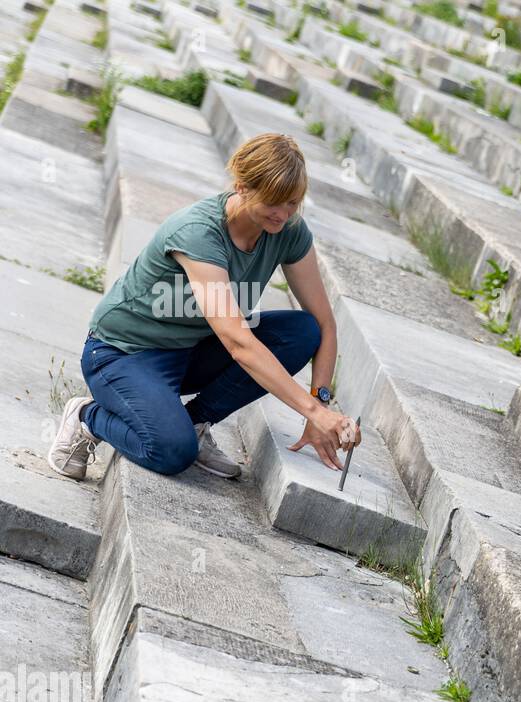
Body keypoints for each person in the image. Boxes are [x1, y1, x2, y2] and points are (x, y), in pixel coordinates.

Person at [47, 132, 359, 481]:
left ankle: (196, 422)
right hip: (124, 354)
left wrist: (321, 402)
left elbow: (326, 324)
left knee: (302, 331)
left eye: (292, 203)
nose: (284, 214)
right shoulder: (199, 232)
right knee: (171, 452)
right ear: (242, 186)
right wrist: (313, 410)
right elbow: (238, 343)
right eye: (275, 201)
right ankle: (86, 417)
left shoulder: (288, 230)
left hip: (190, 351)